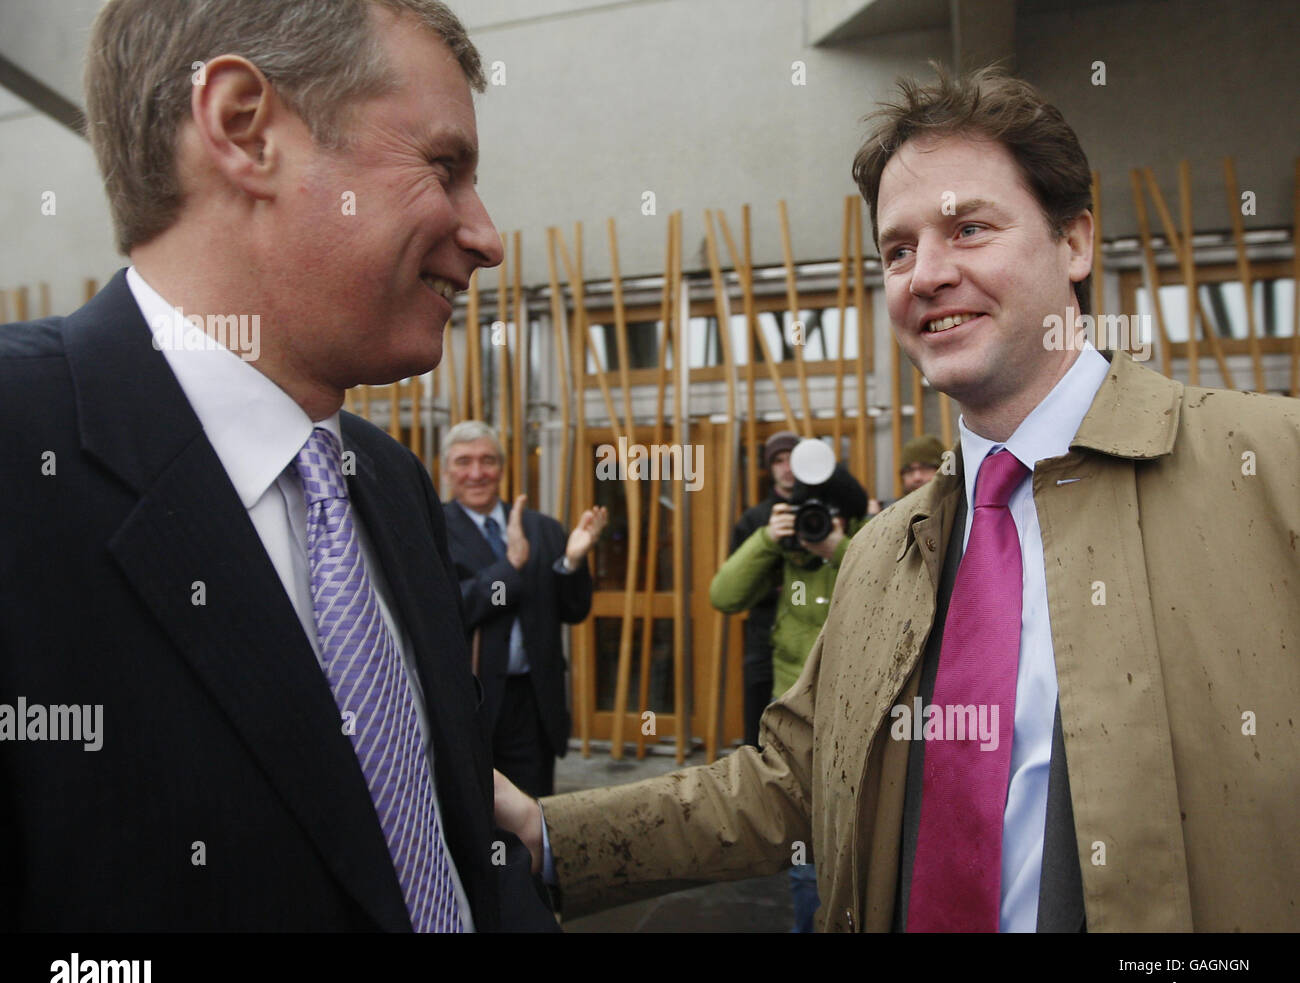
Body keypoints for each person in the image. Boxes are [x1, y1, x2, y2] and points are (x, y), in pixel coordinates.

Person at [495, 65, 1300, 932]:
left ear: (1075, 242)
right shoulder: (884, 551)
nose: (927, 274)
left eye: (969, 228)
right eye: (898, 249)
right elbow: (792, 784)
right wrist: (548, 831)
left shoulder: (1269, 465)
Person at [0, 0, 558, 931]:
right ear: (243, 128)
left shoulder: (387, 482)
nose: (486, 235)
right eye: (444, 167)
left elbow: (456, 847)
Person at [710, 438, 868, 932]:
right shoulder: (780, 552)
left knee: (863, 848)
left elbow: (898, 585)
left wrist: (837, 547)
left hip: (858, 715)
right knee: (807, 861)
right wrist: (765, 540)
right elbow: (723, 595)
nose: (814, 527)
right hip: (799, 721)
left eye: (824, 516)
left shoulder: (863, 543)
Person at [441, 421, 605, 798]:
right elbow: (450, 610)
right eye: (464, 462)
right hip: (471, 701)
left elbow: (573, 610)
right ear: (446, 470)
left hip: (534, 701)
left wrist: (572, 564)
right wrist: (509, 567)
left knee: (534, 814)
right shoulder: (432, 528)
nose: (477, 473)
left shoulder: (544, 528)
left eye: (488, 460)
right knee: (475, 813)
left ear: (502, 467)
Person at [725, 431, 799, 749]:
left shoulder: (825, 511)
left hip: (808, 636)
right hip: (763, 637)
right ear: (769, 468)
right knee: (757, 730)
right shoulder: (754, 519)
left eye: (791, 459)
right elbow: (739, 582)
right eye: (778, 461)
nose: (786, 467)